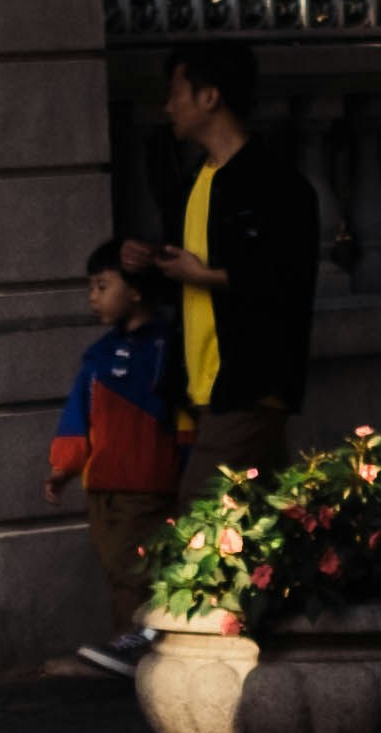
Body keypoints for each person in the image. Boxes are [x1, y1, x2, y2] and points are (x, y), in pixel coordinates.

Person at [124, 41, 320, 494]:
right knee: (270, 537)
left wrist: (204, 276)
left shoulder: (277, 183)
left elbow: (287, 277)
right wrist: (150, 260)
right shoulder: (195, 180)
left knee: (195, 538)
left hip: (249, 385)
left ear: (210, 97)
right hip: (203, 387)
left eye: (176, 92)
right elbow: (189, 267)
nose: (168, 105)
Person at [49, 236, 189, 677]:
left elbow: (184, 418)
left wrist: (185, 470)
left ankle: (138, 654)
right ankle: (124, 649)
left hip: (149, 484)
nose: (94, 298)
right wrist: (64, 468)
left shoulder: (167, 347)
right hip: (102, 485)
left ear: (136, 290)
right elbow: (78, 417)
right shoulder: (98, 355)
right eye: (91, 288)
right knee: (118, 571)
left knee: (136, 572)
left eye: (102, 286)